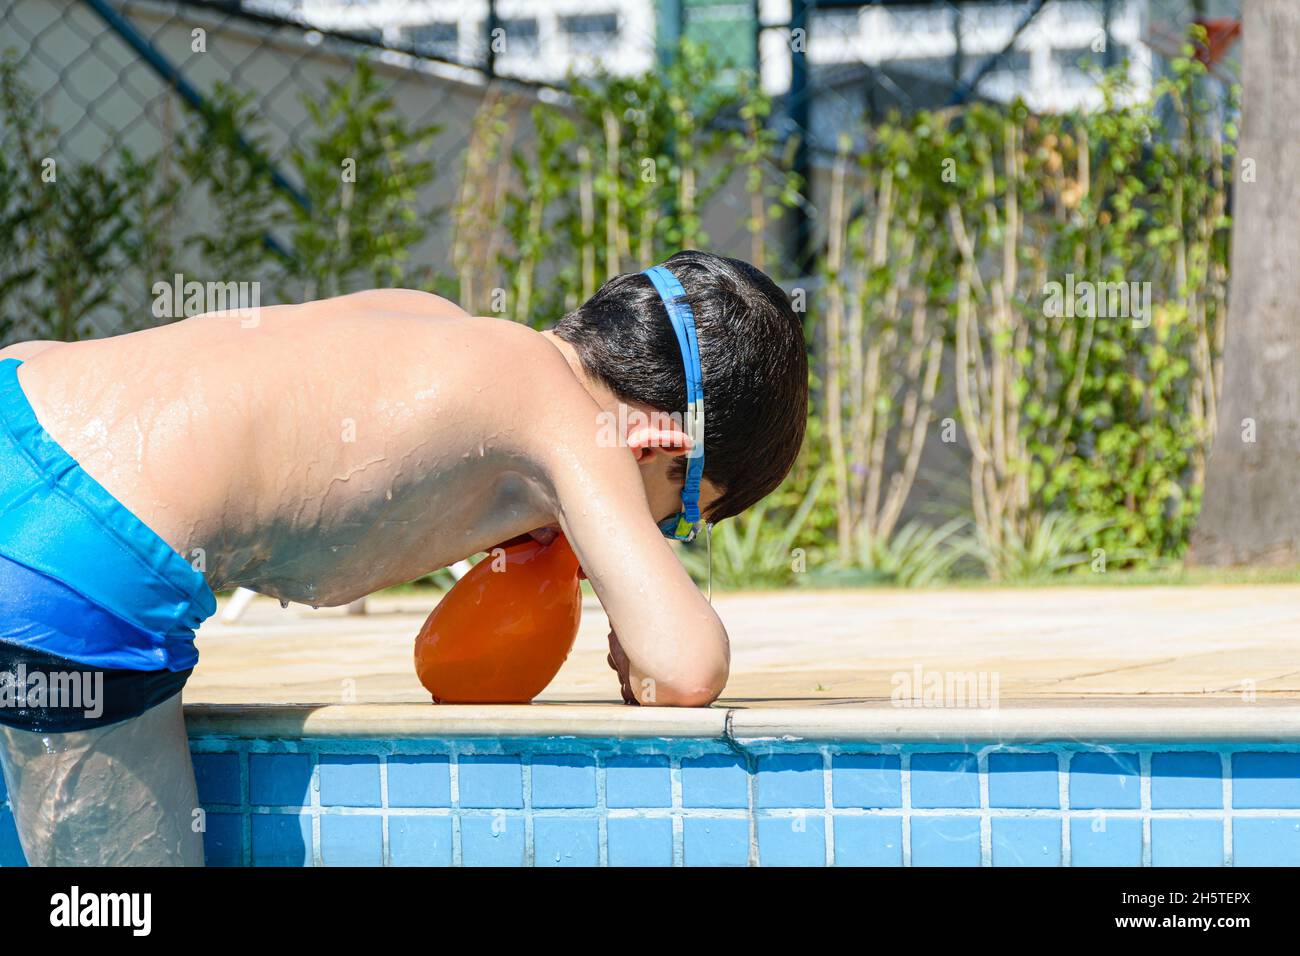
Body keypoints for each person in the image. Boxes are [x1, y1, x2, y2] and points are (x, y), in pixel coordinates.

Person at [0, 249, 808, 864]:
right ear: (656, 444)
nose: (649, 537)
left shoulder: (431, 320)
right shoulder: (573, 423)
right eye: (677, 520)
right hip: (79, 553)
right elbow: (686, 669)